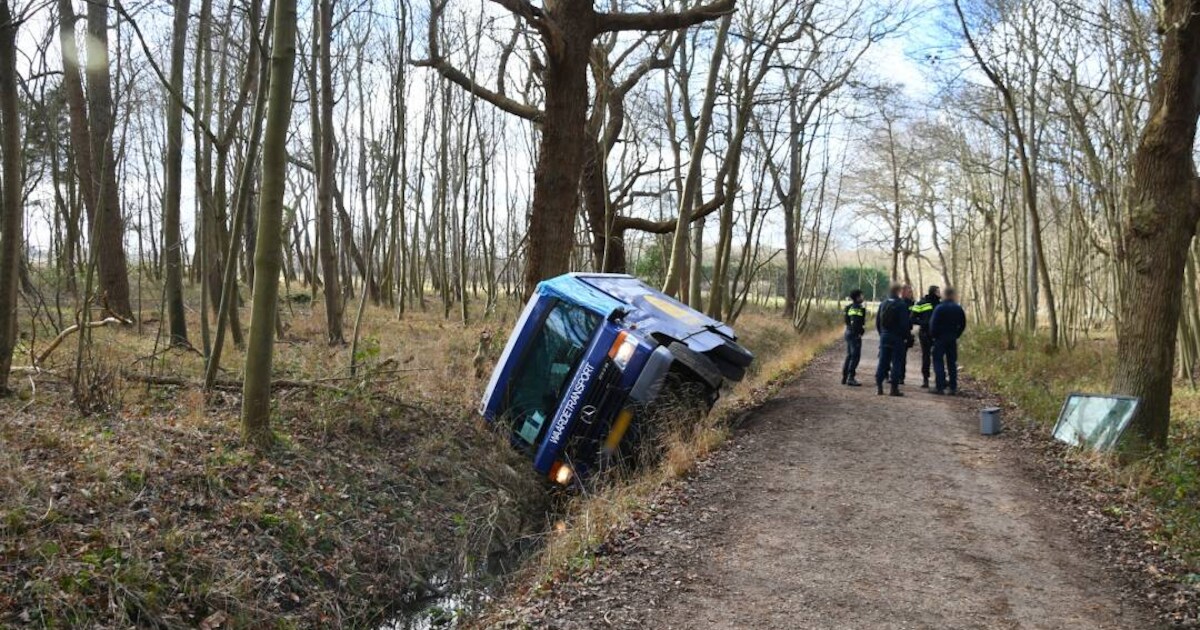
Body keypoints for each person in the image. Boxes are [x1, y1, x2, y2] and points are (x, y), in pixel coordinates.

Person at [874, 283, 911, 397]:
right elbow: (905, 324)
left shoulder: (883, 303)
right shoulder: (901, 304)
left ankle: (879, 387)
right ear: (899, 291)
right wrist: (906, 337)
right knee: (896, 362)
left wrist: (882, 334)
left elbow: (878, 322)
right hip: (897, 338)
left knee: (883, 361)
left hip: (885, 336)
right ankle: (893, 389)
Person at [929, 287, 967, 395]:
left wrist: (934, 336)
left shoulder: (939, 308)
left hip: (940, 338)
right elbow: (963, 324)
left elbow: (933, 324)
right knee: (952, 363)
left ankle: (939, 386)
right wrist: (957, 334)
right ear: (953, 295)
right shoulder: (958, 308)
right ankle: (953, 387)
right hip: (952, 338)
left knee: (938, 361)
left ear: (945, 295)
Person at [910, 285, 942, 388]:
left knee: (938, 357)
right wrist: (923, 323)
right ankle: (925, 379)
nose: (939, 293)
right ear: (933, 292)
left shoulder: (940, 304)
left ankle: (939, 380)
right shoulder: (921, 303)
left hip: (937, 334)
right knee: (926, 356)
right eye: (938, 291)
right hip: (925, 333)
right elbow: (912, 318)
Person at [842, 290, 867, 387]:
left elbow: (846, 321)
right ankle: (850, 377)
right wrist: (859, 332)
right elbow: (855, 322)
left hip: (848, 332)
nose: (863, 297)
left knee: (849, 355)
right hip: (854, 334)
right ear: (857, 297)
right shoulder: (856, 308)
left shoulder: (849, 307)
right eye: (861, 296)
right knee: (855, 356)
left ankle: (845, 377)